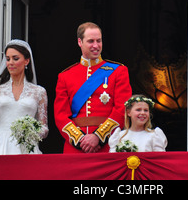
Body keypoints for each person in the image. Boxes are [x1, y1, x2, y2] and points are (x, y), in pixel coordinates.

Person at [54, 22, 132, 153]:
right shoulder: (65, 76)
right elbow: (60, 115)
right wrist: (79, 140)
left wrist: (98, 137)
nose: (96, 45)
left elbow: (121, 108)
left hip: (108, 145)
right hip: (75, 148)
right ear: (80, 42)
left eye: (99, 41)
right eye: (91, 41)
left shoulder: (119, 71)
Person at [0, 39, 48, 155]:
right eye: (8, 59)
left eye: (15, 58)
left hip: (26, 147)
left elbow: (44, 128)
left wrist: (30, 132)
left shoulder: (39, 91)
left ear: (26, 61)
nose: (10, 62)